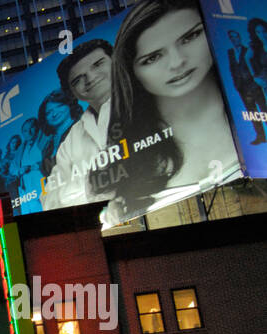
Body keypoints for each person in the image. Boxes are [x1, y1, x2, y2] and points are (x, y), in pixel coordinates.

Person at [103, 0, 241, 225]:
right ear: (131, 72)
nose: (177, 62)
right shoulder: (126, 158)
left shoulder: (252, 109)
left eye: (190, 37)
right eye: (153, 57)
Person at [43, 38, 115, 210]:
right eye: (77, 80)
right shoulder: (71, 140)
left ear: (116, 62)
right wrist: (90, 185)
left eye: (97, 64)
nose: (90, 78)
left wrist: (77, 186)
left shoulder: (152, 101)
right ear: (72, 92)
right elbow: (49, 201)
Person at [228, 28, 267, 145]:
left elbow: (256, 65)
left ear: (240, 38)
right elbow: (232, 69)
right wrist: (236, 85)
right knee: (252, 113)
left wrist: (257, 80)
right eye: (232, 38)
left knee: (264, 110)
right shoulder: (230, 53)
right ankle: (261, 136)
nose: (235, 40)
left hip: (254, 85)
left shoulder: (248, 50)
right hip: (242, 88)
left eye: (237, 37)